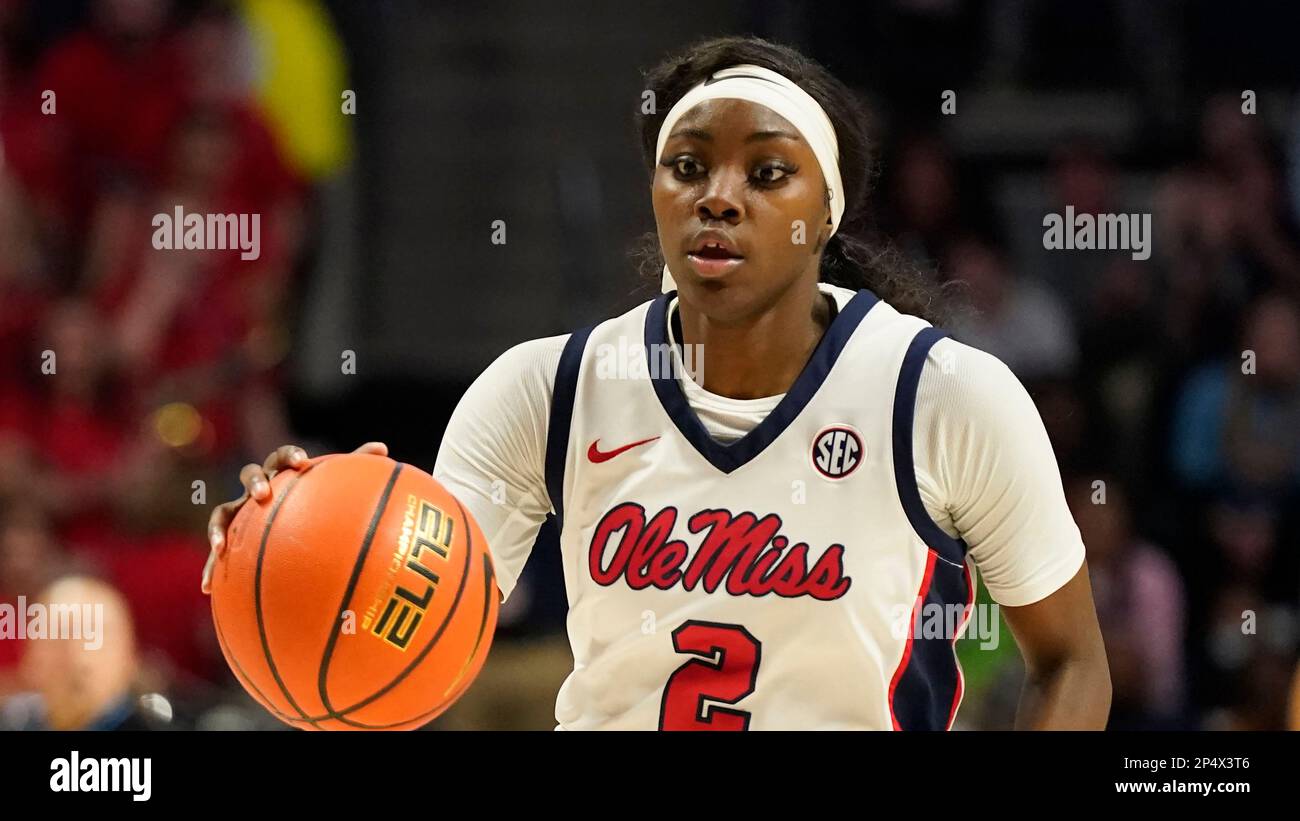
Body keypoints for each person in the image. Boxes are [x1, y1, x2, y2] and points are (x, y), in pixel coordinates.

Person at [202, 35, 1110, 730]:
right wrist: (313, 547)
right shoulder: (544, 389)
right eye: (688, 167)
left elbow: (1073, 662)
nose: (719, 196)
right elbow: (415, 628)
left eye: (766, 172)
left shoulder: (943, 393)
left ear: (824, 211)